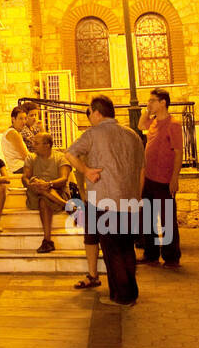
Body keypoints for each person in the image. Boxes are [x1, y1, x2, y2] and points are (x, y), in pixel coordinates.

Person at [63, 95, 144, 307]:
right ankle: (130, 293)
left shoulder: (93, 133)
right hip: (130, 200)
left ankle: (122, 296)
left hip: (105, 200)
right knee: (127, 248)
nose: (89, 117)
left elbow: (70, 154)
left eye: (89, 112)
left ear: (97, 112)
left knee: (112, 251)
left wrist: (86, 171)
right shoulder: (132, 135)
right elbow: (141, 168)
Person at [137, 88, 183, 266]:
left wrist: (174, 178)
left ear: (163, 102)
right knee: (147, 216)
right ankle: (151, 254)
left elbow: (178, 153)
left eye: (152, 101)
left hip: (164, 179)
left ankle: (171, 256)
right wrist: (147, 110)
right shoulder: (153, 122)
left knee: (167, 220)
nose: (149, 104)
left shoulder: (174, 124)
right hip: (149, 177)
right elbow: (141, 125)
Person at [23, 131, 70, 254]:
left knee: (44, 199)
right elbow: (25, 177)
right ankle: (67, 205)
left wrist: (48, 184)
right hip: (35, 194)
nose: (33, 145)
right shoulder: (31, 157)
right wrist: (30, 184)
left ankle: (47, 241)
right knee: (35, 181)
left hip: (58, 192)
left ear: (47, 145)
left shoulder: (60, 157)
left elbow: (64, 179)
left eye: (36, 143)